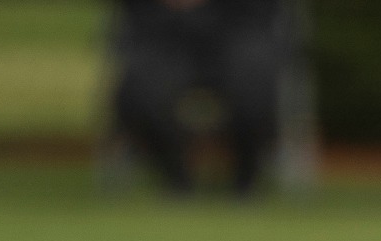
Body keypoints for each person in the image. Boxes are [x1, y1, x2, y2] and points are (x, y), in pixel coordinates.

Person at [110, 0, 284, 196]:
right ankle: (175, 176)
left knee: (254, 86)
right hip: (161, 30)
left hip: (240, 23)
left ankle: (246, 177)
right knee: (141, 93)